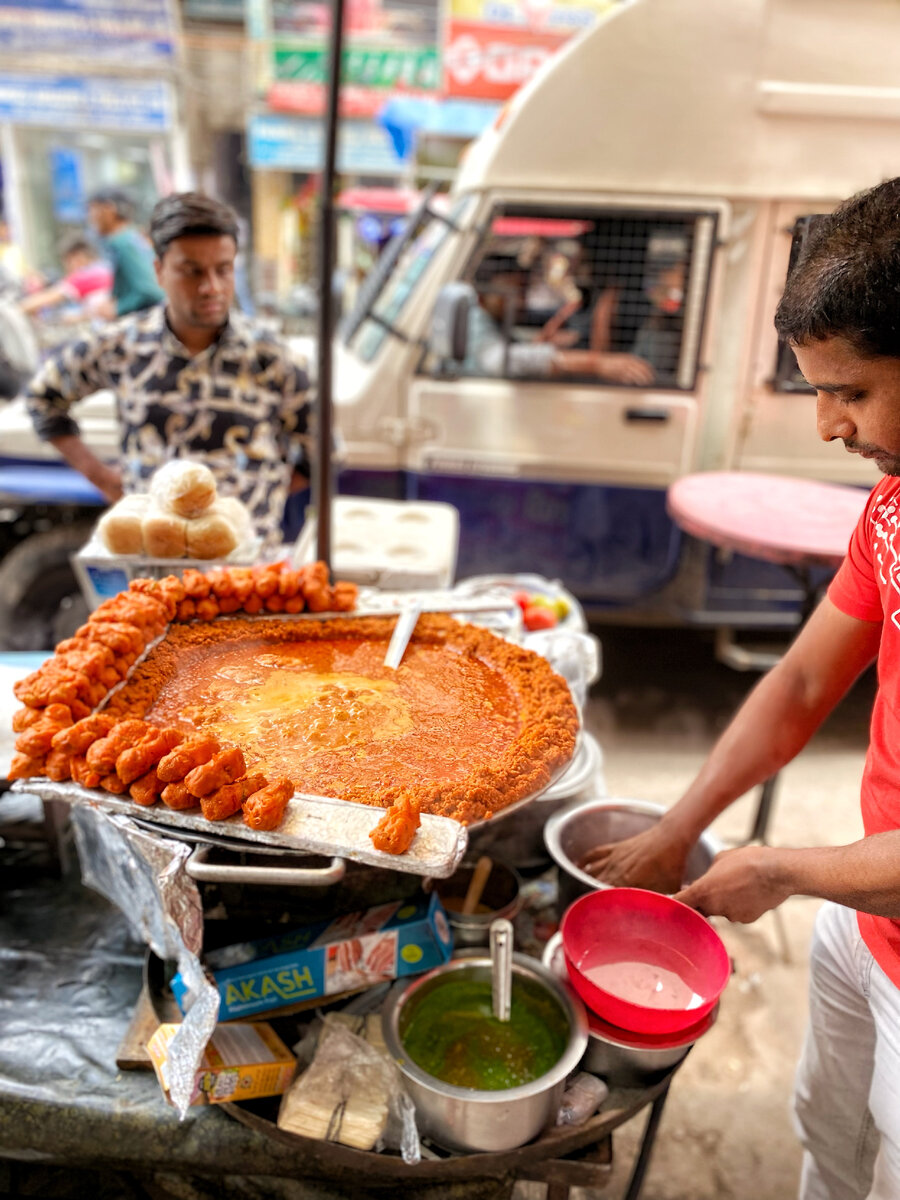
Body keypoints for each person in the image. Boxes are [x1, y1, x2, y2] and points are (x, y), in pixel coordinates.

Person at [583, 176, 900, 1199]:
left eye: (851, 393)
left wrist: (785, 869)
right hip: (867, 919)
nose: (827, 428)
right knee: (829, 1137)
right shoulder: (894, 507)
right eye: (816, 391)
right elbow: (804, 679)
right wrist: (684, 822)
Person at [25, 191, 311, 548]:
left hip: (246, 574)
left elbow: (322, 452)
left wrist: (263, 491)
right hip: (153, 571)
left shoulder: (272, 357)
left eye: (223, 270)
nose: (211, 287)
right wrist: (102, 478)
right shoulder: (122, 346)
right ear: (159, 271)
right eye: (192, 272)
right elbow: (43, 397)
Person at [463, 253, 654, 384]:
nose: (520, 301)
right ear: (481, 296)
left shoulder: (495, 322)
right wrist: (596, 363)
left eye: (522, 292)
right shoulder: (473, 322)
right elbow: (499, 360)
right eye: (509, 295)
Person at [86, 187, 164, 318]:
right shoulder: (132, 236)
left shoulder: (122, 242)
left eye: (93, 209)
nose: (90, 216)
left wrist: (118, 308)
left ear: (108, 208)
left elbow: (150, 291)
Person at [19, 233, 112, 320]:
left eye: (67, 262)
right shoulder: (103, 268)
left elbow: (48, 297)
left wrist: (17, 308)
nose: (67, 268)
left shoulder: (85, 276)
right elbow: (89, 313)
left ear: (77, 257)